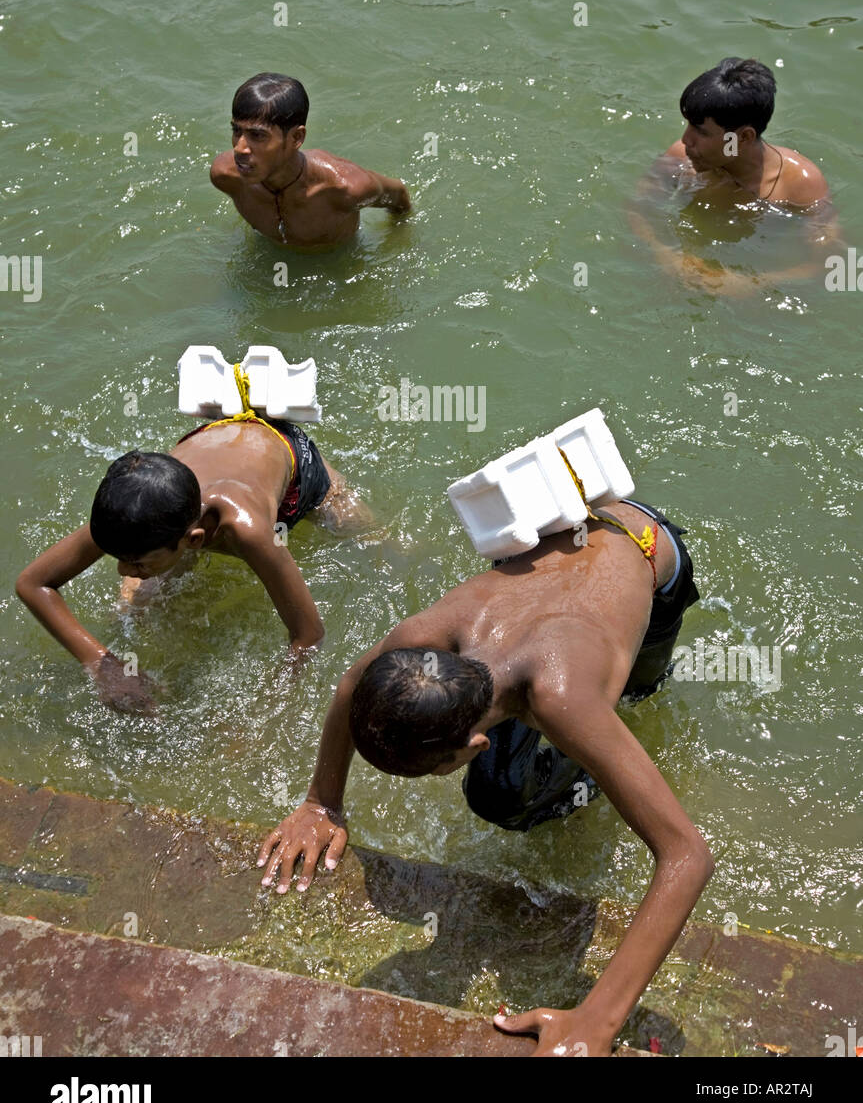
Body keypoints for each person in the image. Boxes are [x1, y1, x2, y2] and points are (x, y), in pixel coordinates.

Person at [256, 496, 713, 1057]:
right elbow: (353, 683)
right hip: (571, 521)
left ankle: (612, 750)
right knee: (502, 786)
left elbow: (687, 855)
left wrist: (596, 1021)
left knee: (633, 699)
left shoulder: (560, 696)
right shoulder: (419, 645)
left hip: (648, 554)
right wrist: (321, 802)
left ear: (474, 743)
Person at [16, 395, 366, 715]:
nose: (124, 568)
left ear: (195, 540)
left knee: (360, 532)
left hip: (291, 461)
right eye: (118, 557)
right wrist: (101, 665)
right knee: (133, 609)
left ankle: (338, 492)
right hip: (211, 436)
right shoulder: (132, 512)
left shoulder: (250, 531)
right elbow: (33, 584)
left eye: (136, 561)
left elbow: (308, 634)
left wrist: (265, 711)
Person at [628, 57, 839, 294]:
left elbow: (826, 265)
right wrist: (665, 255)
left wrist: (749, 285)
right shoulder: (682, 156)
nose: (686, 139)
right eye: (688, 125)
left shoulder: (800, 185)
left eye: (701, 131)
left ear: (743, 137)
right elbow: (638, 209)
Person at [210, 73, 411, 249]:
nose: (239, 148)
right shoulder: (226, 176)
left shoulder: (347, 188)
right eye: (236, 131)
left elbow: (399, 195)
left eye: (257, 135)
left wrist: (397, 243)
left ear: (296, 138)